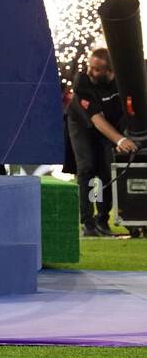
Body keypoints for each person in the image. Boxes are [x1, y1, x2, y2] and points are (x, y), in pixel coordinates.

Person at [68, 47, 138, 236]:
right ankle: (87, 223)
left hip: (109, 126)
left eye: (97, 69)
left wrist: (125, 135)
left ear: (110, 72)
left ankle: (102, 220)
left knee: (108, 169)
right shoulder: (82, 82)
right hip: (83, 125)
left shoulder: (121, 83)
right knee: (87, 168)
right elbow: (96, 119)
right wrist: (120, 139)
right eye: (90, 66)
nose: (90, 71)